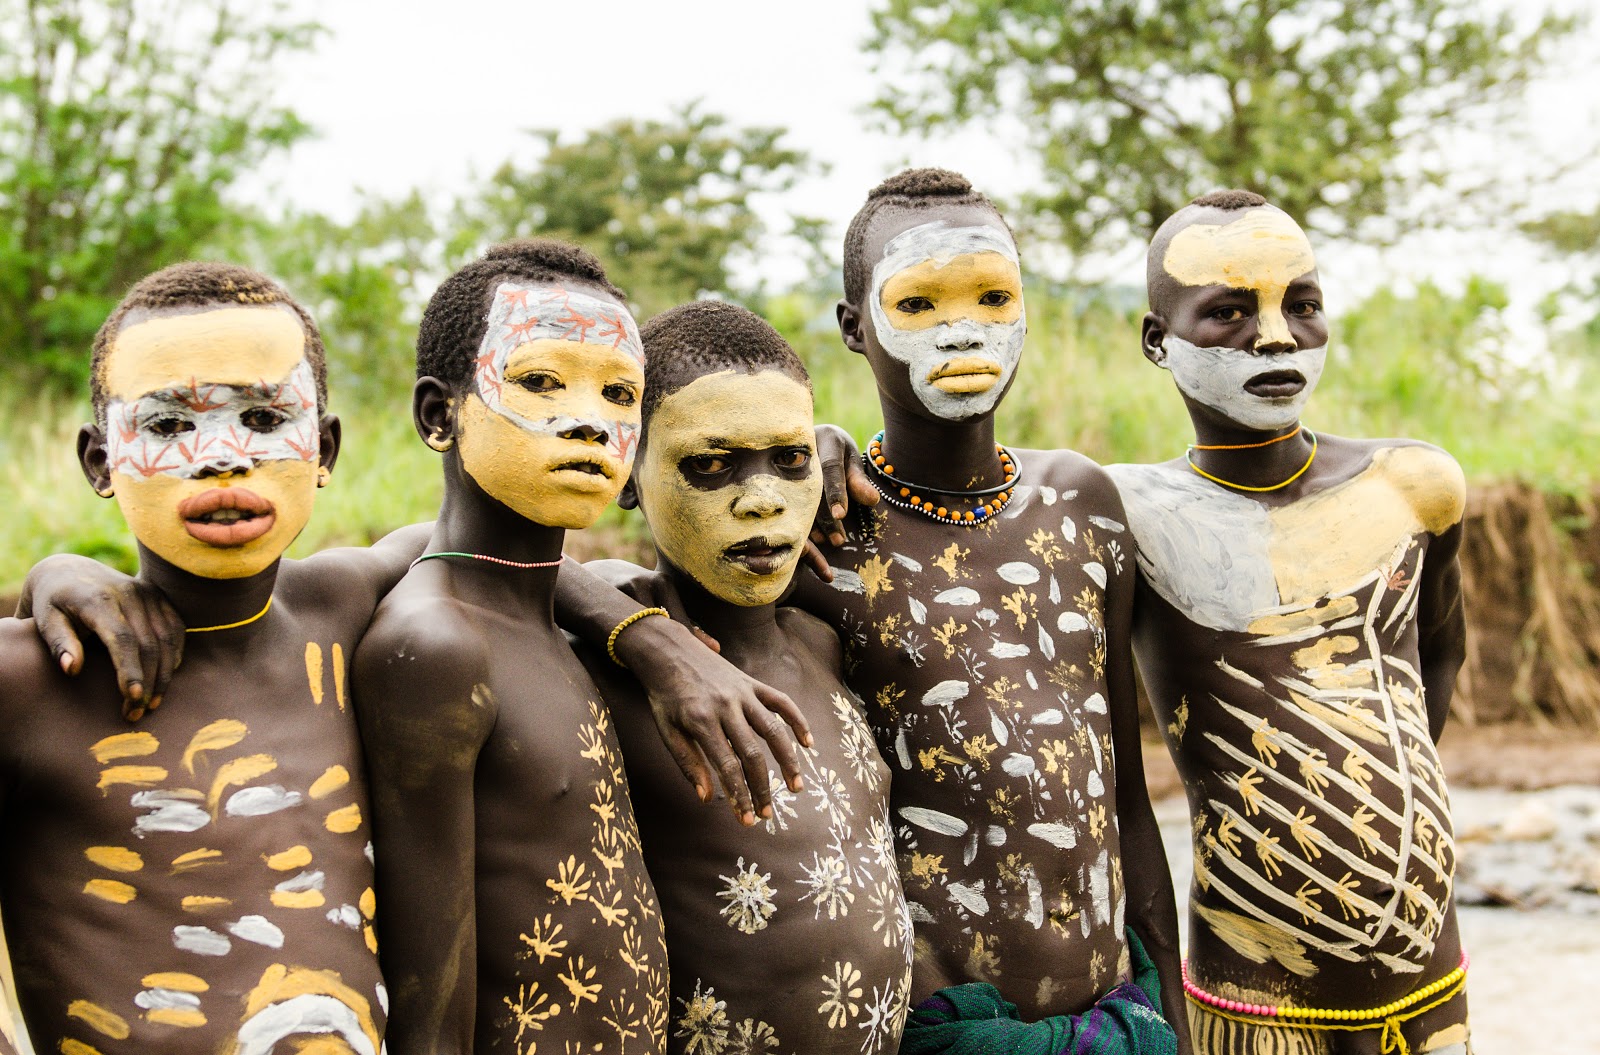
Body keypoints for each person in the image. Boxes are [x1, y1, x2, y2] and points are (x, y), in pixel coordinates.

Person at [786, 169, 1185, 1051]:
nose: (963, 326)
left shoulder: (1080, 501)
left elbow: (1123, 789)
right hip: (940, 1027)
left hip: (1117, 1011)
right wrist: (801, 450)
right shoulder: (821, 536)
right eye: (918, 301)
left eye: (993, 295)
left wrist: (1172, 1016)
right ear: (854, 327)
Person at [1107, 190, 1471, 1054]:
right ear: (1158, 341)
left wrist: (1376, 819)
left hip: (1431, 971)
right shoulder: (1124, 511)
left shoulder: (1413, 486)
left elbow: (1436, 666)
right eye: (1228, 312)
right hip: (1254, 996)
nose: (1276, 337)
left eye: (1301, 305)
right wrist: (827, 445)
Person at [0, 262, 394, 1054]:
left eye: (261, 416)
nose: (221, 456)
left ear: (324, 447)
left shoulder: (344, 613)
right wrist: (47, 575)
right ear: (99, 461)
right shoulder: (34, 681)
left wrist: (644, 633)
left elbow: (492, 559)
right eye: (168, 425)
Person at [352, 239, 676, 1054]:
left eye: (619, 392)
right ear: (440, 414)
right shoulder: (438, 644)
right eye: (539, 381)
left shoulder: (573, 622)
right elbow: (431, 995)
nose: (589, 419)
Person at [579, 301, 913, 1055]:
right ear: (627, 469)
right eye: (709, 464)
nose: (760, 498)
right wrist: (649, 641)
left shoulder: (825, 643)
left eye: (788, 460)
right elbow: (443, 554)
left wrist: (826, 448)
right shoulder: (609, 654)